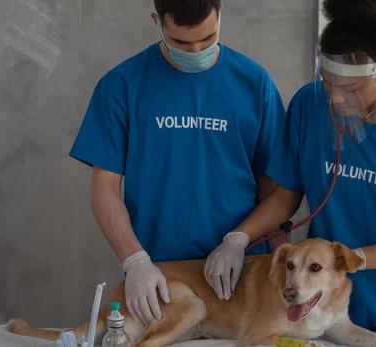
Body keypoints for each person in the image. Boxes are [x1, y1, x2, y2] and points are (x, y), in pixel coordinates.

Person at [205, 0, 376, 333]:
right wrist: (239, 238)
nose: (334, 99)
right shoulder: (308, 106)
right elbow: (286, 196)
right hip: (326, 310)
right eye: (328, 82)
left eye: (349, 88)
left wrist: (357, 258)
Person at [69, 0, 285, 326]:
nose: (196, 50)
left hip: (240, 274)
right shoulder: (122, 85)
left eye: (208, 38)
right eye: (182, 42)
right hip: (161, 279)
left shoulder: (255, 84)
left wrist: (281, 264)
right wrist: (135, 260)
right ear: (157, 21)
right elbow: (105, 187)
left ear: (220, 12)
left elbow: (274, 189)